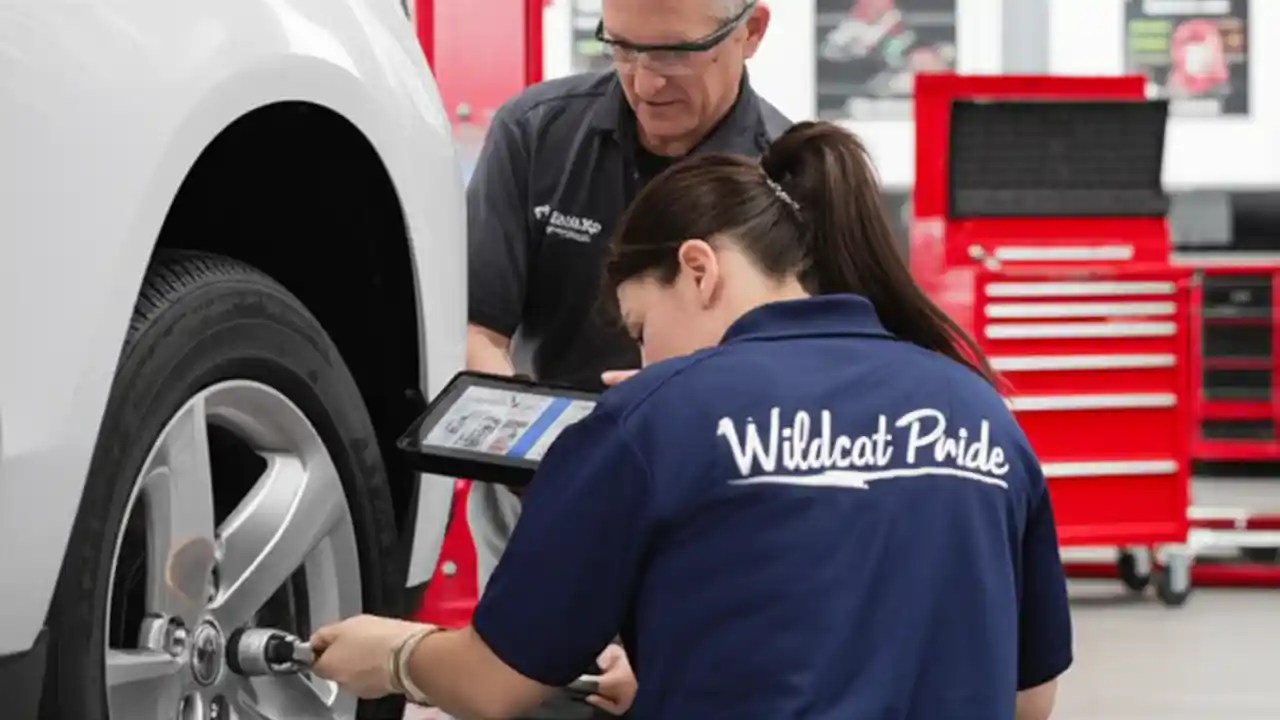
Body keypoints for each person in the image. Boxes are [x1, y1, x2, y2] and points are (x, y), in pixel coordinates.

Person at [308, 120, 1073, 719]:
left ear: (699, 269)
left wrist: (396, 651)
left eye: (640, 329)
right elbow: (1025, 698)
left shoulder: (654, 416)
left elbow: (494, 682)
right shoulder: (978, 409)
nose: (642, 357)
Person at [457, 0, 789, 712]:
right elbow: (476, 327)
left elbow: (813, 380)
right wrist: (542, 461)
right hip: (540, 487)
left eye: (673, 53)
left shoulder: (794, 175)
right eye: (622, 47)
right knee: (534, 695)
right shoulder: (537, 133)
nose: (644, 82)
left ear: (752, 32)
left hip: (718, 509)